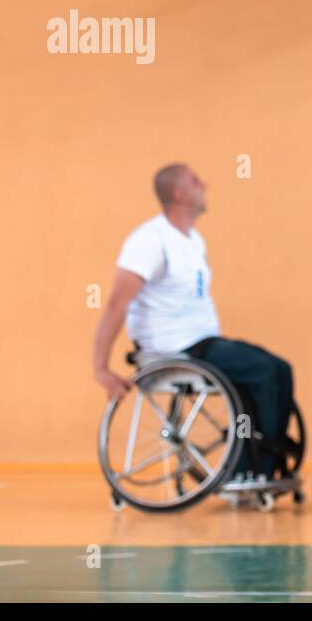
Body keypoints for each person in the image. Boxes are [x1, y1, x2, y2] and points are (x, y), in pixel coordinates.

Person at [91, 163, 295, 479]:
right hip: (174, 347)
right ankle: (257, 467)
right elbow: (117, 303)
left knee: (281, 369)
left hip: (203, 342)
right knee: (265, 371)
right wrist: (101, 368)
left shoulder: (193, 240)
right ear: (179, 193)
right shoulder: (149, 240)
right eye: (195, 180)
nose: (205, 184)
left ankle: (261, 455)